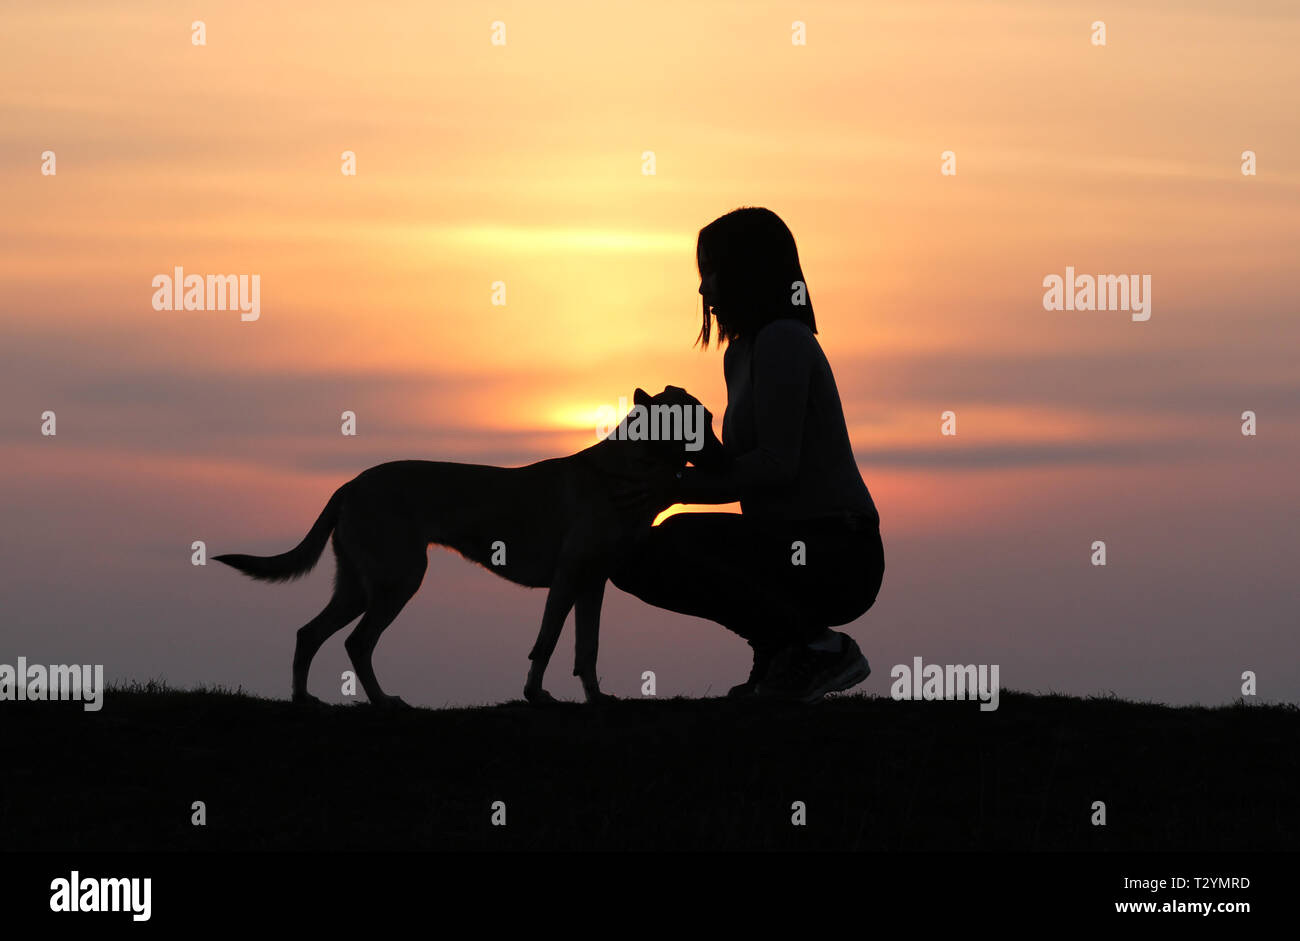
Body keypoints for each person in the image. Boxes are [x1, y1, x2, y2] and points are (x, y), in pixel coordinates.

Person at [610, 207, 885, 702]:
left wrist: (673, 489)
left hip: (838, 550)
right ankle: (785, 653)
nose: (702, 289)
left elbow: (776, 468)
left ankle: (816, 649)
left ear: (746, 270)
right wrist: (689, 436)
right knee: (635, 554)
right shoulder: (741, 353)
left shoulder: (785, 340)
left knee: (661, 547)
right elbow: (737, 470)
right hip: (783, 540)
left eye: (710, 272)